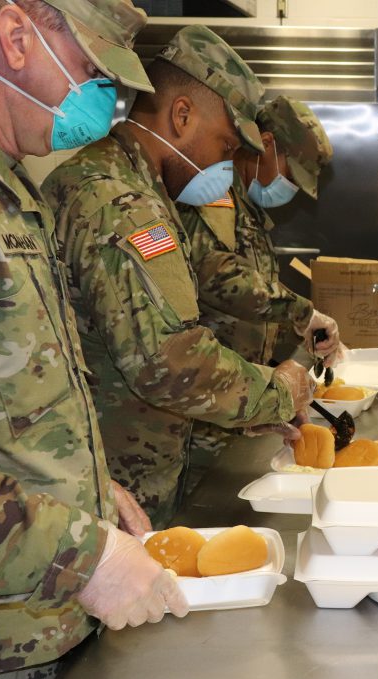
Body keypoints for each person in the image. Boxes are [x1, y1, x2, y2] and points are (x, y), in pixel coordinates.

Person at [0, 1, 188, 679]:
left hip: (40, 627)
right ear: (17, 35)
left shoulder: (1, 180)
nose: (103, 100)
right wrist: (82, 554)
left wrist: (82, 480)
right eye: (89, 69)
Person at [41, 26, 316, 529]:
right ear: (182, 114)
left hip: (131, 473)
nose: (227, 166)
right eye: (226, 145)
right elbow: (167, 361)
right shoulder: (119, 201)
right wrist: (279, 390)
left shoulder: (140, 189)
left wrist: (249, 407)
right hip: (117, 484)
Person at [178, 95, 338, 484]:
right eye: (289, 172)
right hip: (202, 410)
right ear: (266, 144)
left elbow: (253, 292)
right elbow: (217, 274)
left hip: (237, 399)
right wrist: (301, 311)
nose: (289, 189)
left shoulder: (245, 205)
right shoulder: (212, 193)